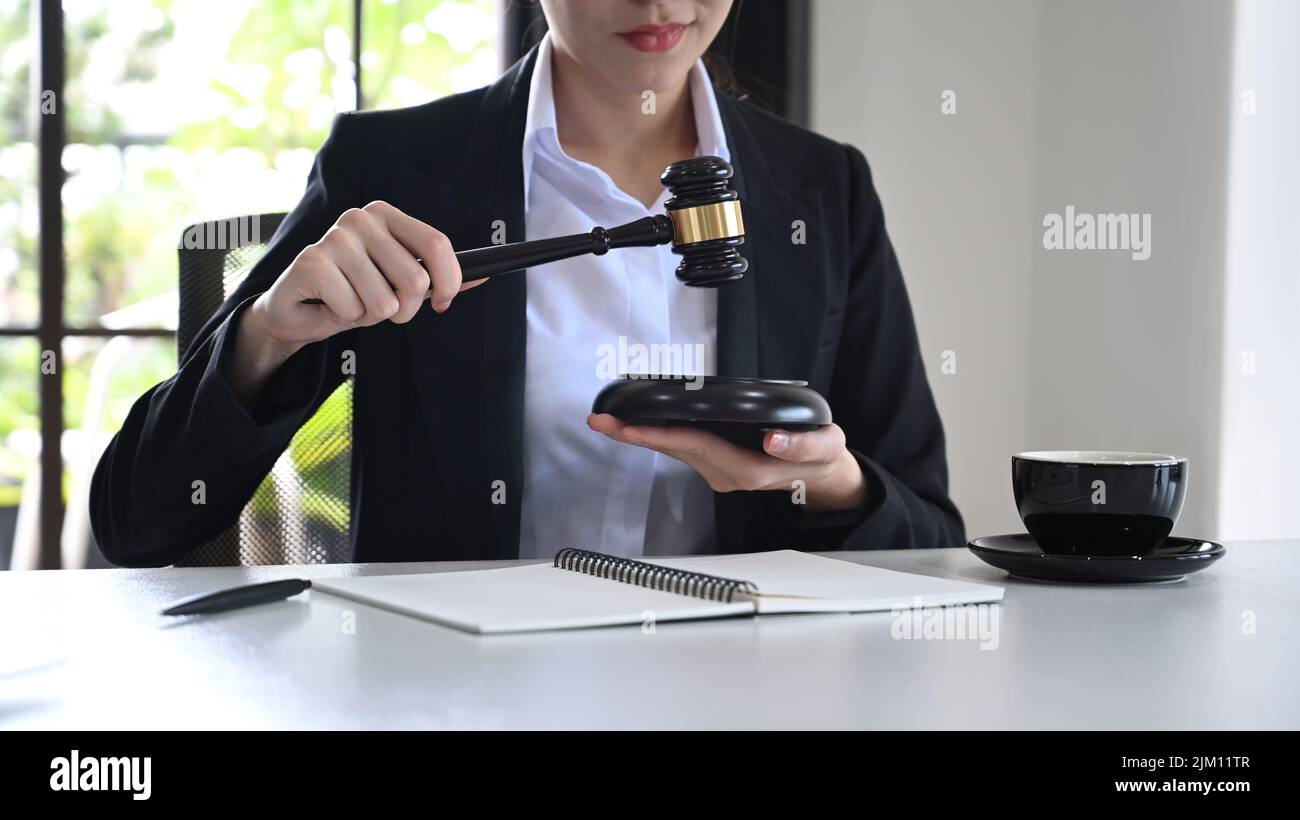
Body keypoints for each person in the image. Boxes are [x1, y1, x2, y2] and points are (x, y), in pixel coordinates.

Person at [90, 0, 963, 567]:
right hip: (455, 703)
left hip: (741, 692)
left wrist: (826, 482)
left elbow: (930, 536)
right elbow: (137, 521)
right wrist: (267, 336)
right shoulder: (389, 169)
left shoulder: (824, 191)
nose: (660, 4)